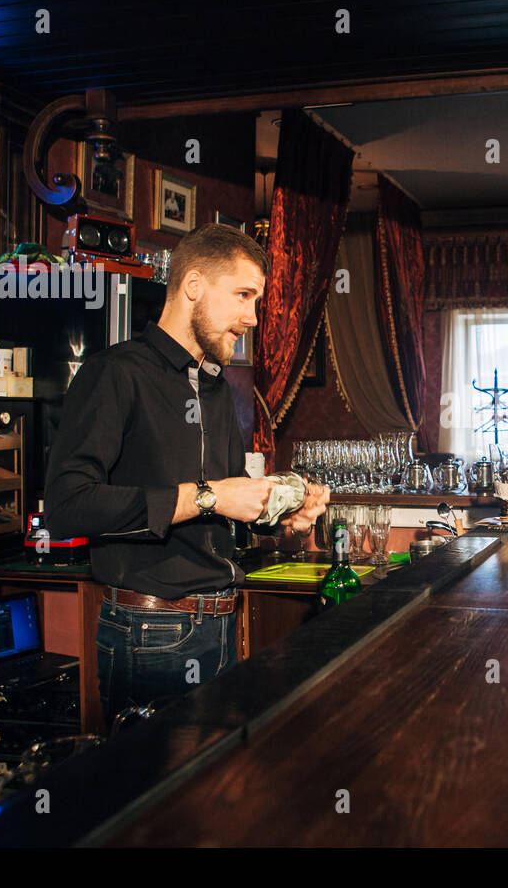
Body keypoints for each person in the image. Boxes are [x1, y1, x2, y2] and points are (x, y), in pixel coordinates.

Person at [44, 223, 329, 726]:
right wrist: (209, 497)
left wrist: (282, 511)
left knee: (211, 797)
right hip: (149, 627)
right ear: (193, 285)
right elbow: (69, 506)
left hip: (220, 622)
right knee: (151, 798)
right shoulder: (114, 373)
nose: (252, 317)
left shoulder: (216, 389)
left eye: (256, 301)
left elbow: (224, 498)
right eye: (243, 296)